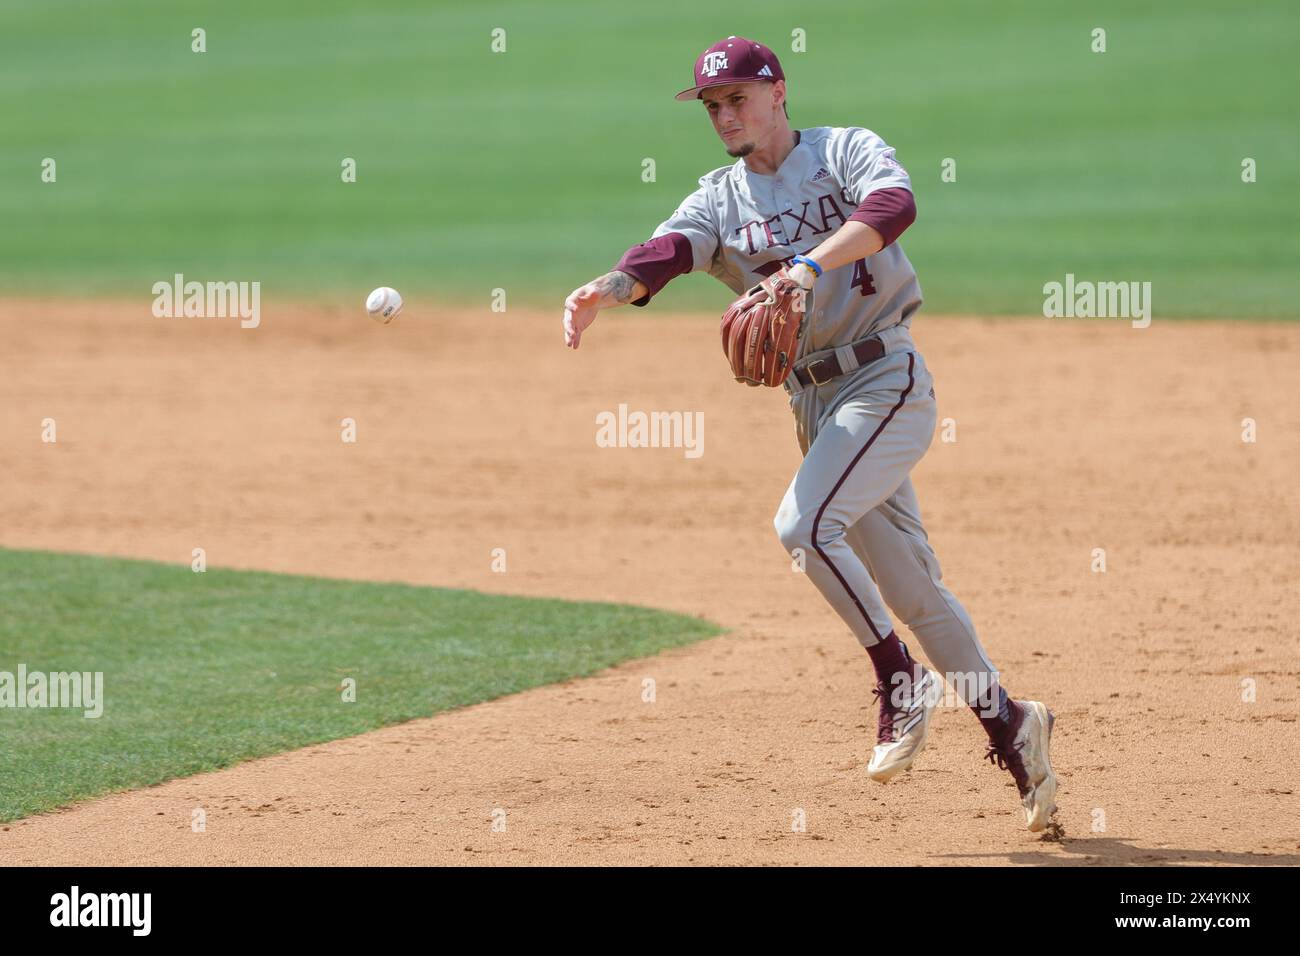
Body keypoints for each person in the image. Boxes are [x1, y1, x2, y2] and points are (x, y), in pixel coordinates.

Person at [561, 35, 1057, 831]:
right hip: (814, 406)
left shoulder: (842, 150)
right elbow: (667, 252)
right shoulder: (720, 198)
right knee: (911, 590)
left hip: (885, 377)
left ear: (778, 92)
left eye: (738, 99)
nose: (725, 115)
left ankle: (899, 678)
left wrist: (804, 269)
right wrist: (609, 288)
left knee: (800, 524)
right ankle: (1010, 724)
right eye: (713, 106)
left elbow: (894, 208)